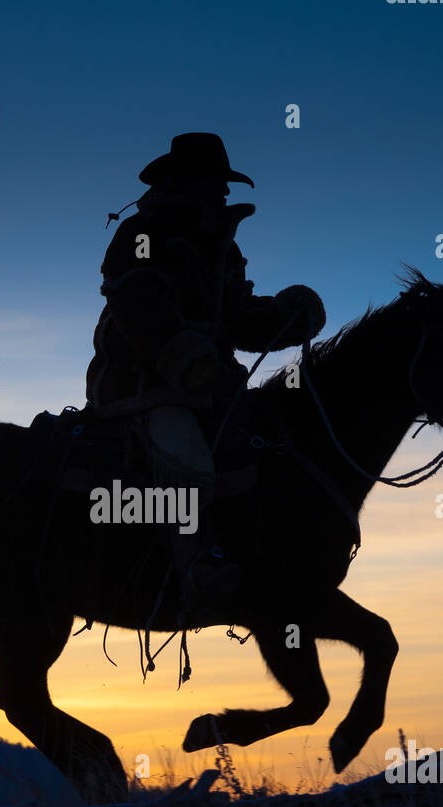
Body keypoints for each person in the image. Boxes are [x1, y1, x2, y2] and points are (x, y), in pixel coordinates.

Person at [85, 133, 325, 624]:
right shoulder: (140, 236)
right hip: (139, 385)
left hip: (213, 383)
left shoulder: (222, 248)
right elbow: (141, 311)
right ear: (183, 182)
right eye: (214, 183)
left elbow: (236, 320)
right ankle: (198, 566)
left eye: (223, 184)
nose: (221, 193)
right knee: (187, 455)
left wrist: (285, 315)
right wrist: (191, 364)